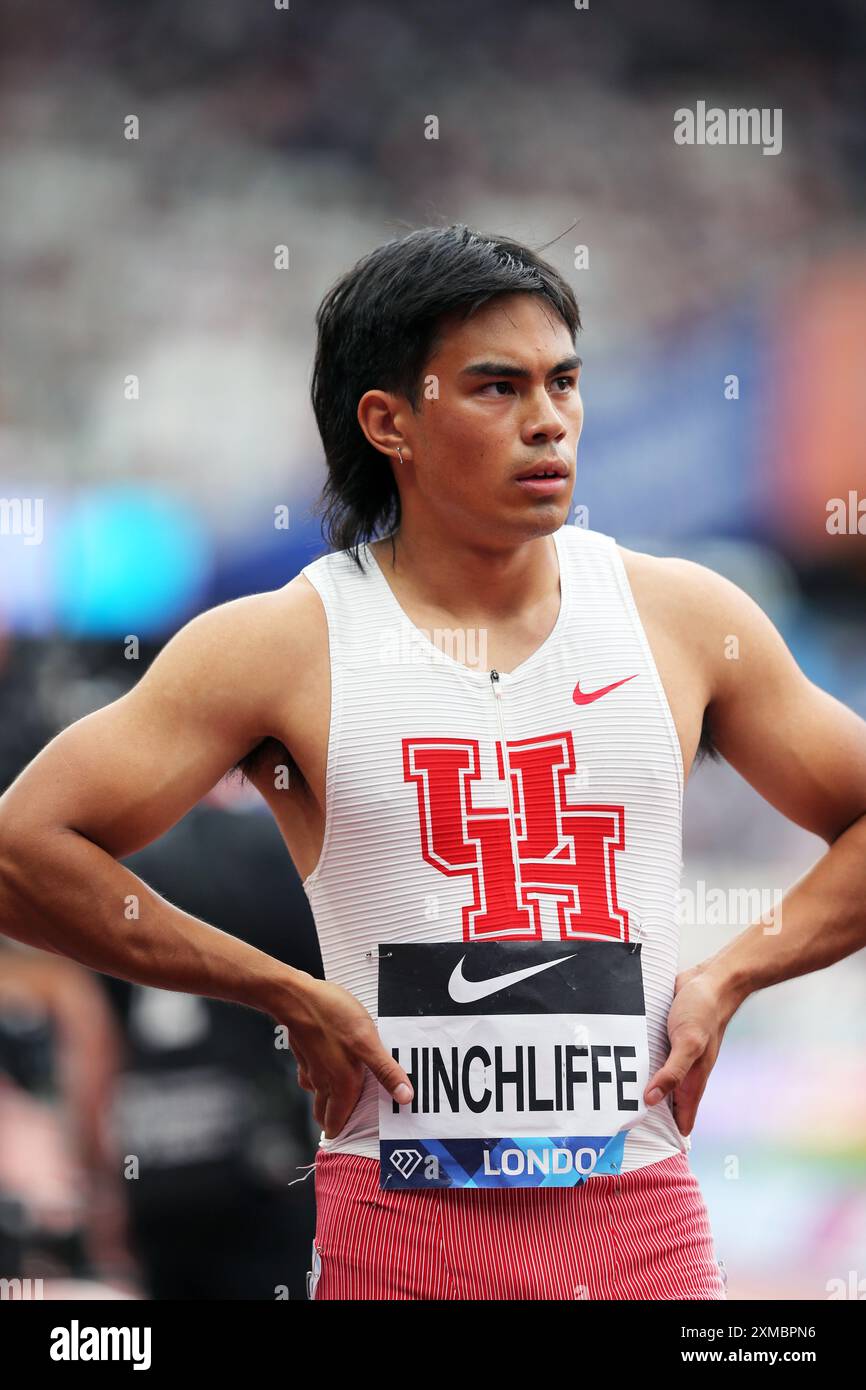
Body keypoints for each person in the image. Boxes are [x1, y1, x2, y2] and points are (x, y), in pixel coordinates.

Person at [1, 225, 865, 1301]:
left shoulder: (685, 620)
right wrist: (280, 992)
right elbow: (21, 852)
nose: (547, 420)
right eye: (496, 388)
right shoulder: (281, 645)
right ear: (388, 421)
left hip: (638, 1229)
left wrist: (734, 971)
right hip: (401, 1239)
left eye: (562, 382)